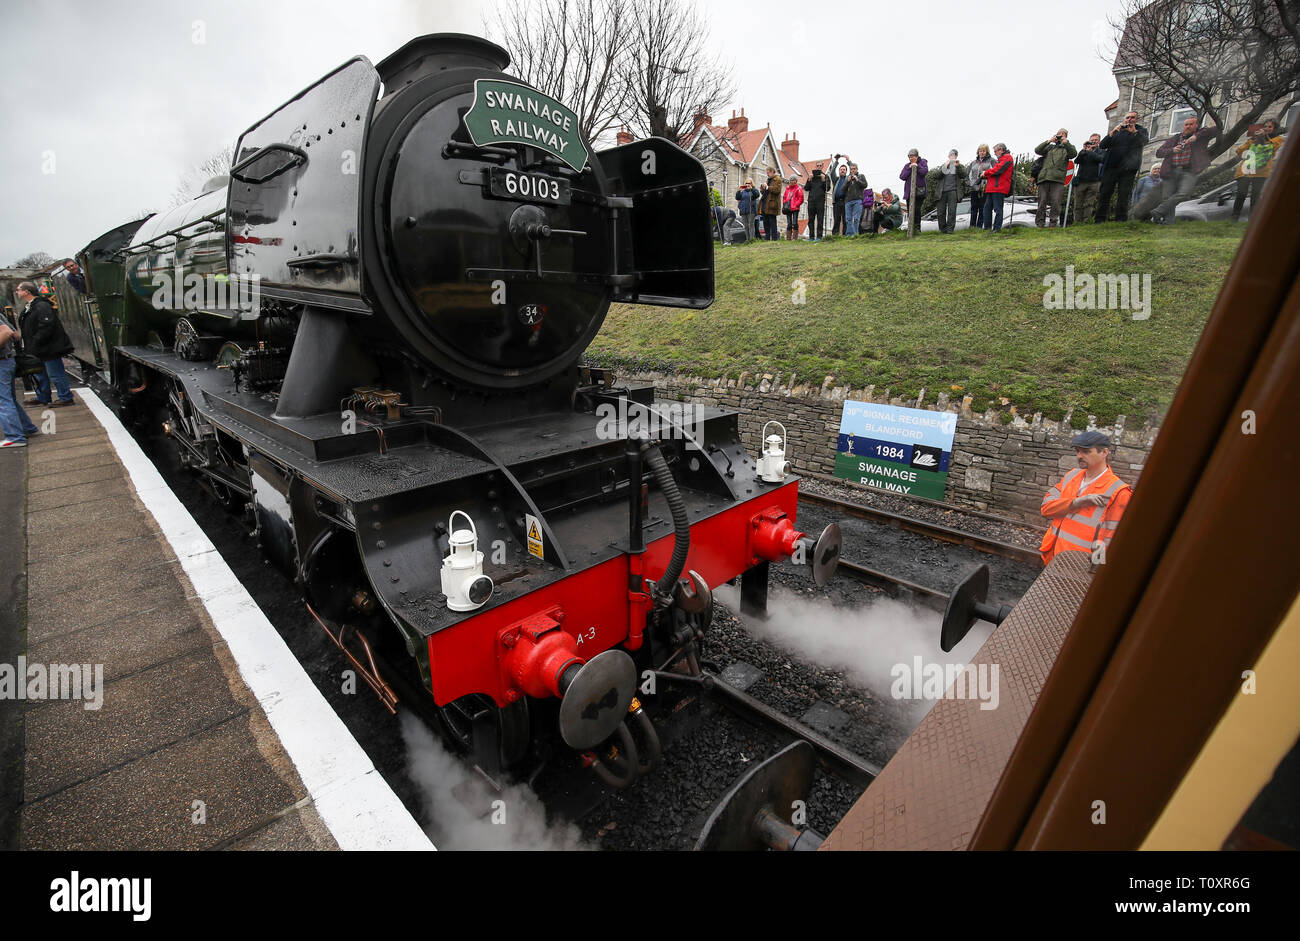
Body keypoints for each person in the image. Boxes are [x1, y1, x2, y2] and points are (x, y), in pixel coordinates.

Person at [1039, 431, 1132, 565]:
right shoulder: (1071, 476)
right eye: (1078, 451)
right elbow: (1046, 509)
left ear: (1104, 452)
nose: (1079, 456)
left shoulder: (1119, 492)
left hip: (1079, 567)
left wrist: (1095, 570)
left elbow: (1113, 539)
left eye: (1086, 451)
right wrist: (1075, 503)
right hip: (1052, 558)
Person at [1148, 115, 1221, 224]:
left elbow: (1217, 129)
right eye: (1186, 124)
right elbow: (1159, 152)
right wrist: (1172, 150)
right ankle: (1168, 222)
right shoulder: (1176, 138)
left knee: (1183, 194)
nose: (1188, 126)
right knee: (1167, 197)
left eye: (1191, 124)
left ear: (1196, 126)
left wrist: (1196, 136)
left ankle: (1158, 211)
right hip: (1171, 170)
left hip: (1189, 171)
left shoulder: (1201, 136)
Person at [15, 281, 75, 407]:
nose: (17, 292)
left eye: (19, 289)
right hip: (37, 348)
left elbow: (47, 325)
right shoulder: (30, 306)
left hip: (49, 347)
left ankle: (65, 397)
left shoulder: (41, 305)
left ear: (26, 292)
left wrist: (35, 340)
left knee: (55, 373)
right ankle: (43, 397)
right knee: (39, 373)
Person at [1094, 110, 1149, 223]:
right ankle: (1099, 219)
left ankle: (1121, 219)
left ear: (1136, 119)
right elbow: (1102, 145)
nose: (1129, 120)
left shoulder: (1141, 130)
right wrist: (1113, 132)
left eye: (1132, 117)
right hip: (1111, 167)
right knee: (1105, 193)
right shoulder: (1118, 131)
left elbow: (1144, 141)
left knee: (1124, 194)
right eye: (1127, 117)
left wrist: (1134, 132)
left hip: (1128, 168)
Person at [1231, 119, 1283, 222]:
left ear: (1275, 129)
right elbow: (1240, 151)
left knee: (1255, 197)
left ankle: (1252, 220)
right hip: (1246, 170)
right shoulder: (1253, 139)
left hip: (1261, 172)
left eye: (1270, 127)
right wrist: (1254, 139)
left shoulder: (1278, 139)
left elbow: (1272, 147)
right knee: (1241, 194)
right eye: (1265, 126)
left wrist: (1264, 137)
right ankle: (1234, 218)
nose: (1267, 128)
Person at [0, 314, 40, 448]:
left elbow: (6, 332)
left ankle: (15, 437)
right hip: (7, 361)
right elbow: (16, 335)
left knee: (3, 401)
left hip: (1, 363)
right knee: (8, 399)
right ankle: (26, 427)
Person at [1033, 129, 1077, 228]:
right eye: (1058, 134)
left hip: (1058, 179)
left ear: (1066, 136)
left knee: (1056, 202)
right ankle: (1040, 223)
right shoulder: (1049, 147)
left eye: (1062, 134)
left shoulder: (1067, 148)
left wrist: (1066, 143)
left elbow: (1073, 154)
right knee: (1042, 201)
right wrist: (1049, 141)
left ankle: (1053, 223)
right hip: (1044, 177)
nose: (1059, 136)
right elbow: (1037, 150)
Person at [928, 149, 968, 234]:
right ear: (948, 156)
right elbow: (936, 176)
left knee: (952, 211)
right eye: (951, 155)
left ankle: (950, 230)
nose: (952, 156)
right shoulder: (944, 165)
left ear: (956, 156)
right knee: (940, 212)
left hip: (953, 191)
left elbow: (964, 175)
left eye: (954, 155)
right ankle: (943, 230)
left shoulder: (958, 166)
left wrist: (958, 166)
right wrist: (945, 166)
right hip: (941, 192)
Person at [980, 143, 1014, 231]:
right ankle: (987, 228)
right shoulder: (1000, 160)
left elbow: (998, 170)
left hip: (999, 187)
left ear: (1001, 150)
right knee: (987, 208)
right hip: (992, 188)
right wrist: (986, 175)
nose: (994, 153)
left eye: (995, 151)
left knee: (997, 209)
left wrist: (985, 173)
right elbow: (995, 172)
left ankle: (996, 228)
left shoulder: (1007, 157)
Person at [1072, 133, 1104, 224]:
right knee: (1078, 204)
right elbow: (1076, 161)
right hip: (1081, 181)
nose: (1093, 142)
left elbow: (1101, 159)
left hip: (1094, 181)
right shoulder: (1084, 152)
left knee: (1089, 204)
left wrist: (1090, 152)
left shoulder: (1101, 151)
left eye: (1095, 140)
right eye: (1092, 140)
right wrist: (1084, 150)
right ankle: (1077, 222)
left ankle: (1086, 222)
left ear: (1099, 142)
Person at [899, 149, 928, 236]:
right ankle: (910, 229)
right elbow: (902, 176)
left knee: (917, 210)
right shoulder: (907, 165)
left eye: (912, 157)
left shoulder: (923, 162)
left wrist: (917, 166)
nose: (910, 158)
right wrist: (909, 168)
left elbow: (924, 172)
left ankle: (917, 229)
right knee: (910, 211)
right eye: (909, 157)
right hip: (909, 193)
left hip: (919, 192)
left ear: (917, 156)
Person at [967, 144, 994, 231]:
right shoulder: (973, 163)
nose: (982, 152)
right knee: (973, 208)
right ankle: (972, 227)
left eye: (984, 151)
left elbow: (994, 173)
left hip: (985, 188)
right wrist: (971, 184)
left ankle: (979, 227)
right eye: (980, 151)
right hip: (974, 188)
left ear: (987, 152)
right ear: (978, 152)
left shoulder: (992, 161)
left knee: (983, 208)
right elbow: (968, 175)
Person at [804, 168, 829, 241]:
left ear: (822, 166)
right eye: (817, 165)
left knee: (820, 219)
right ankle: (811, 237)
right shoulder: (811, 177)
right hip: (811, 201)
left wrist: (823, 180)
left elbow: (827, 188)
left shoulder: (825, 176)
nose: (819, 167)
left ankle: (819, 236)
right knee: (811, 219)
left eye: (820, 166)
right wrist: (809, 180)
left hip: (820, 201)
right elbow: (806, 188)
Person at [843, 164, 867, 235]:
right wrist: (847, 181)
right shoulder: (847, 178)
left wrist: (857, 180)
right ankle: (849, 234)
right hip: (848, 201)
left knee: (856, 218)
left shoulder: (861, 176)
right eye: (851, 169)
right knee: (848, 219)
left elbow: (865, 185)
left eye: (854, 169)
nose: (853, 170)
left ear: (857, 169)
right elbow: (843, 189)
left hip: (858, 200)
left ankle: (855, 234)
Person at [759, 168, 783, 241]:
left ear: (773, 172)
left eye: (768, 173)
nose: (767, 174)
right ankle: (767, 238)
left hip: (772, 204)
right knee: (765, 222)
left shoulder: (777, 179)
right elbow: (764, 192)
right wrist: (762, 188)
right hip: (765, 203)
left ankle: (774, 238)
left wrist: (767, 187)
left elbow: (777, 190)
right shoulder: (768, 180)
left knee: (772, 222)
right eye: (767, 173)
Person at [782, 175, 804, 240]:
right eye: (791, 180)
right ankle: (788, 238)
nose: (792, 181)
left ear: (796, 181)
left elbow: (801, 198)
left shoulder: (799, 188)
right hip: (788, 208)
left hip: (795, 208)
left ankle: (795, 238)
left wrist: (796, 205)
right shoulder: (787, 188)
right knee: (789, 223)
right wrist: (785, 203)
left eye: (793, 180)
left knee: (795, 222)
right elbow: (784, 197)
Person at [831, 161, 850, 237]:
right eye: (841, 169)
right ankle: (835, 235)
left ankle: (845, 234)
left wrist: (848, 161)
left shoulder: (848, 179)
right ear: (839, 171)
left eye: (844, 169)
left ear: (846, 171)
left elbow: (853, 172)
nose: (842, 171)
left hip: (845, 202)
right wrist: (836, 162)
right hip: (837, 202)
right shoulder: (836, 179)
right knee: (836, 219)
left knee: (845, 219)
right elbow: (832, 173)